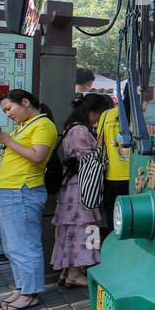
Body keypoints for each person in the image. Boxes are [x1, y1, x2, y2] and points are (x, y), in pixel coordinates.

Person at [0, 89, 56, 310]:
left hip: (22, 191)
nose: (8, 114)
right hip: (11, 191)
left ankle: (29, 293)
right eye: (5, 110)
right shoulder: (23, 126)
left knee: (23, 245)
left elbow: (37, 156)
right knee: (13, 246)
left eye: (9, 108)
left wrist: (7, 140)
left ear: (25, 102)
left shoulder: (43, 126)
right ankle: (23, 289)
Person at [52, 94, 113, 288]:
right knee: (85, 228)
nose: (101, 119)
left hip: (74, 186)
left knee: (71, 229)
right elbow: (85, 158)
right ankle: (75, 273)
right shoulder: (80, 130)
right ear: (92, 112)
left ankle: (67, 271)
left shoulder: (72, 128)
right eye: (101, 114)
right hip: (82, 186)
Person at [97, 101, 132, 231]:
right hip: (137, 176)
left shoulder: (106, 115)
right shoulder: (141, 115)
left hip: (113, 176)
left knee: (114, 218)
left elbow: (99, 145)